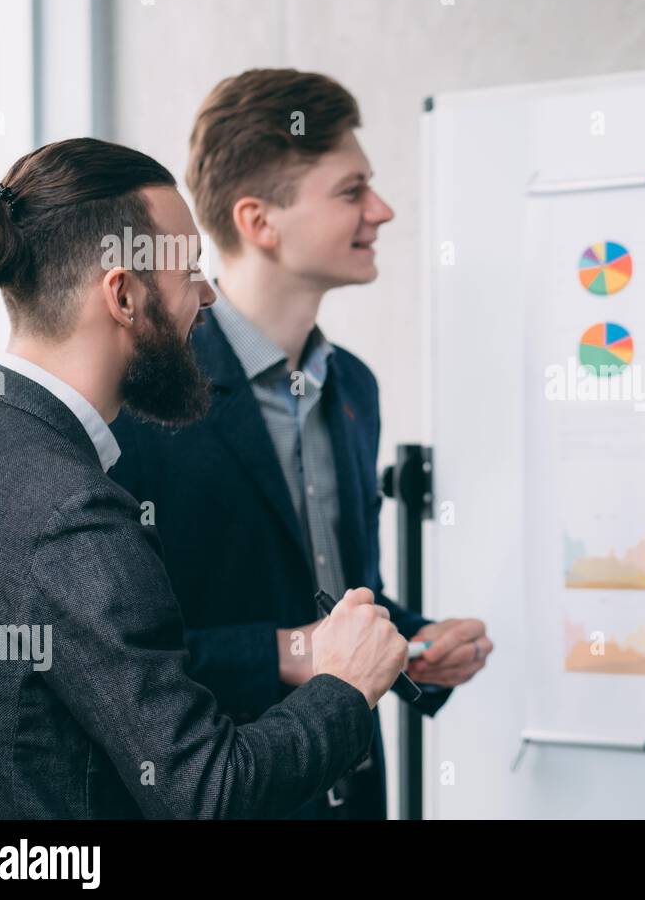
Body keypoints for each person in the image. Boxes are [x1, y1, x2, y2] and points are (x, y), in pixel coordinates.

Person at [0, 138, 409, 818]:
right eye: (189, 269)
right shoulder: (75, 514)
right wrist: (344, 686)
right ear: (125, 296)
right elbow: (207, 790)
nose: (207, 295)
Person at [110, 69, 492, 819]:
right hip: (229, 792)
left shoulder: (353, 386)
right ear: (259, 221)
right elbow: (127, 662)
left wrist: (420, 645)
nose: (381, 211)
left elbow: (345, 593)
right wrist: (292, 651)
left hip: (350, 794)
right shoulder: (145, 399)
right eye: (351, 191)